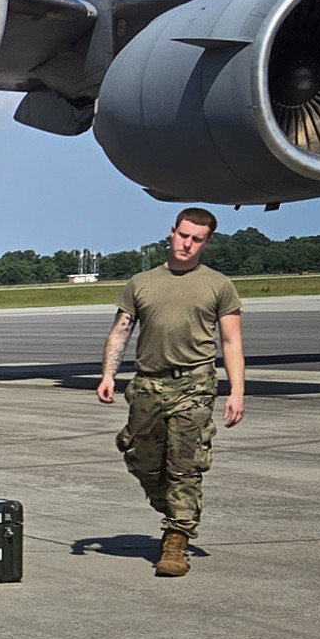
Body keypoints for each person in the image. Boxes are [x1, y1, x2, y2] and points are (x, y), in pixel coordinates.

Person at [96, 206, 246, 577]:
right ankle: (180, 510)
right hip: (147, 384)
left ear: (207, 242)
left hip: (195, 384)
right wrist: (107, 375)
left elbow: (231, 342)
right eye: (183, 235)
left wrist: (237, 392)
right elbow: (121, 331)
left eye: (197, 239)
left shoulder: (218, 285)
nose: (187, 244)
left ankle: (176, 541)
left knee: (184, 467)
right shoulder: (142, 282)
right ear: (172, 232)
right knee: (143, 463)